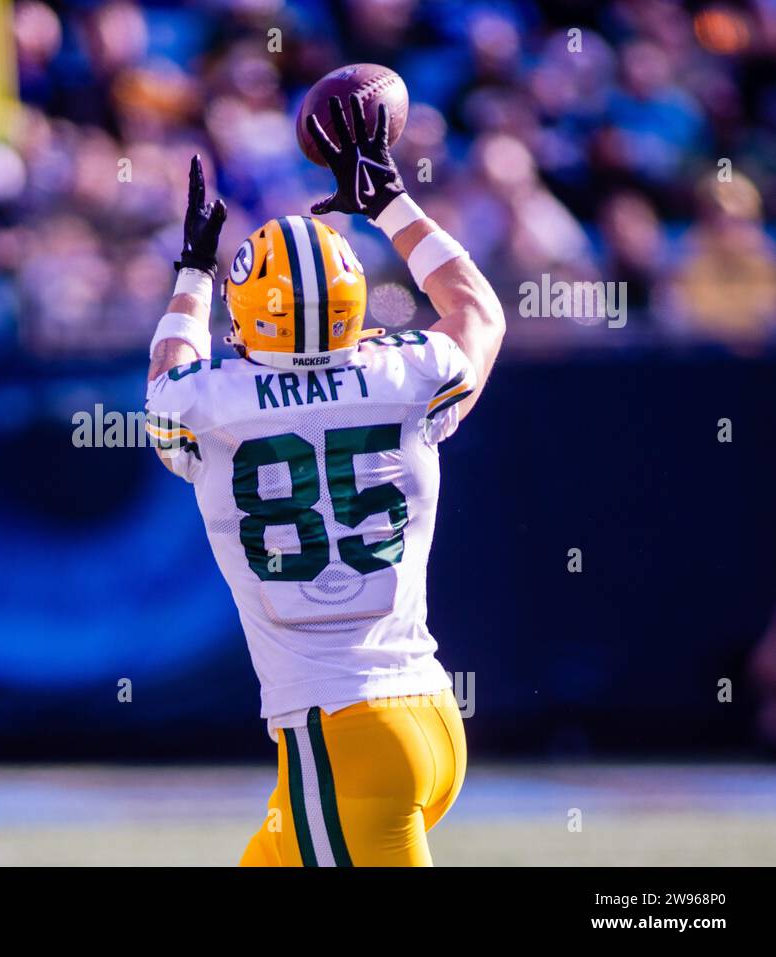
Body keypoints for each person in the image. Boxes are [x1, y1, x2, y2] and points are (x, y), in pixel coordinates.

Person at [143, 95, 505, 866]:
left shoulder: (212, 406)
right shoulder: (405, 372)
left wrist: (192, 275)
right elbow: (477, 310)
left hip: (340, 733)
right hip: (429, 718)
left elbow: (165, 376)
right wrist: (391, 201)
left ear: (245, 314)